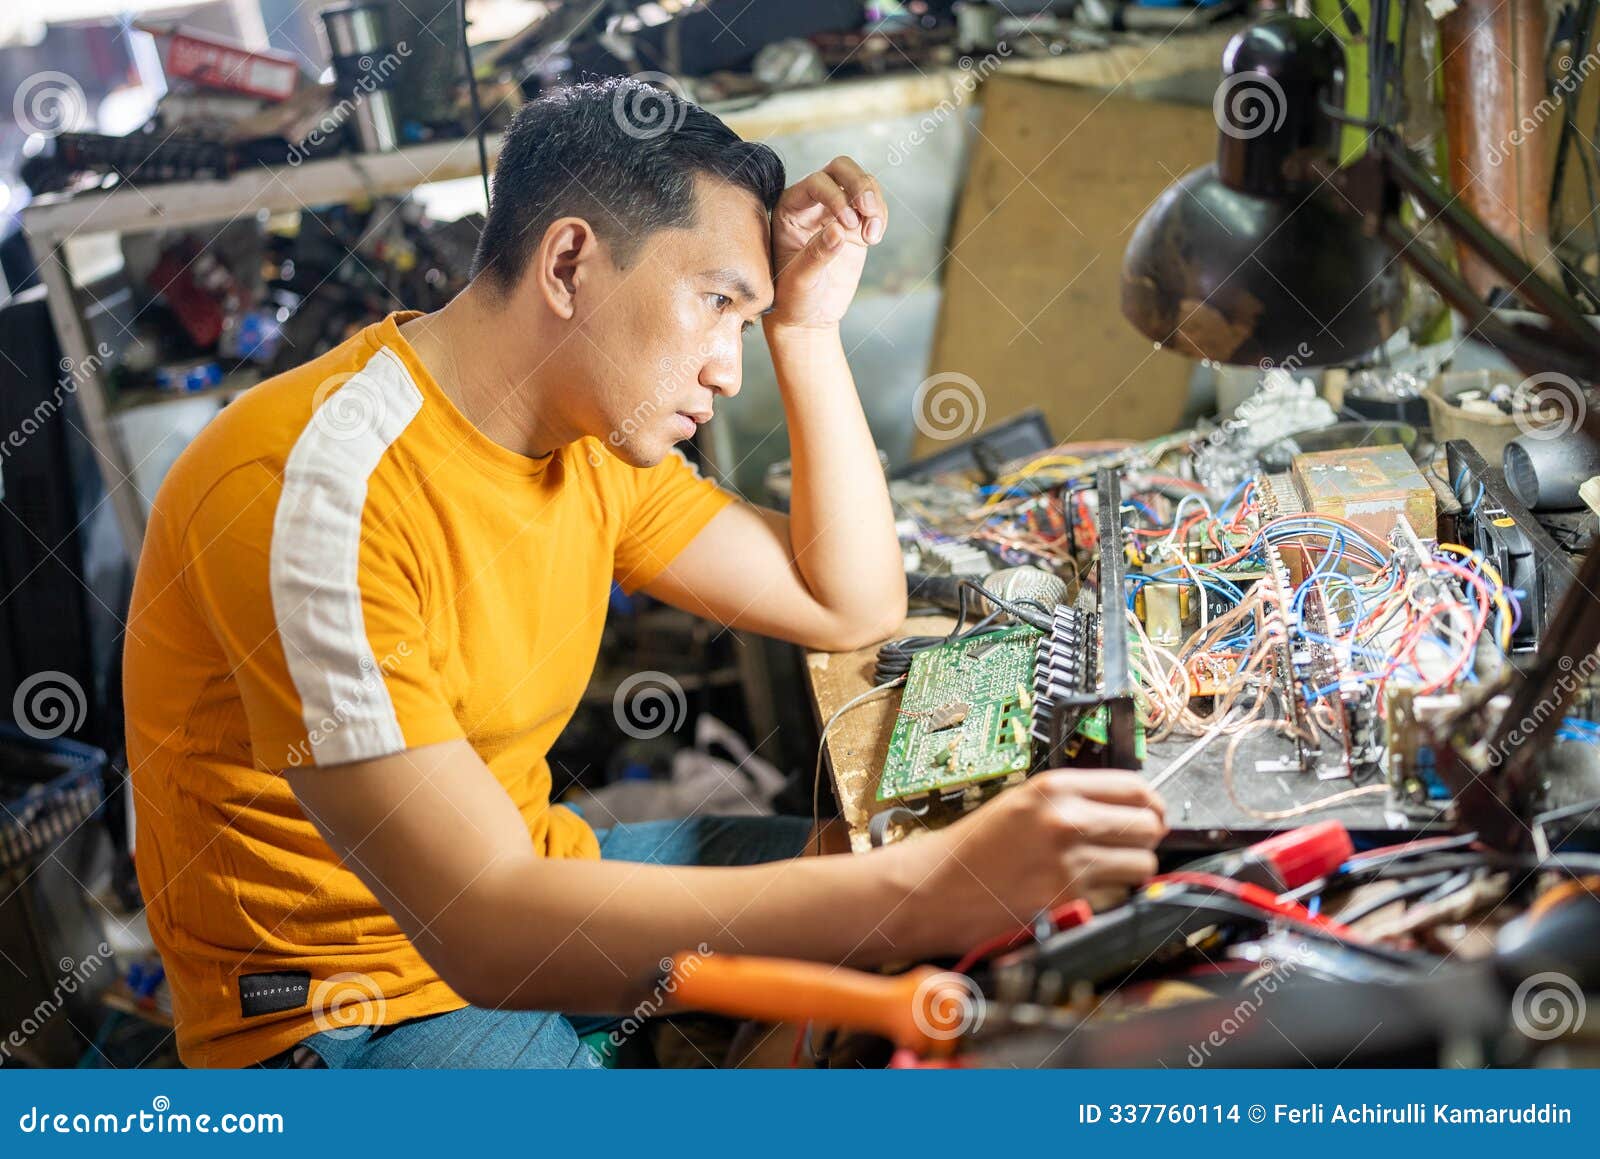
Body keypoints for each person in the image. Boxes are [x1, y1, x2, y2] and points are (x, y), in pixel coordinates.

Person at [124, 78, 1166, 1068]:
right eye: (716, 303)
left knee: (864, 871)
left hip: (530, 875)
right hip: (351, 1005)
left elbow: (848, 602)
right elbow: (481, 933)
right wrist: (920, 891)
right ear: (569, 263)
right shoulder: (310, 492)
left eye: (747, 321)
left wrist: (807, 328)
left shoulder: (585, 439)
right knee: (898, 900)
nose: (729, 365)